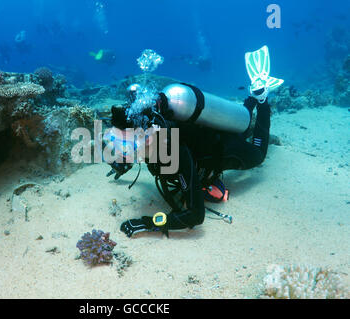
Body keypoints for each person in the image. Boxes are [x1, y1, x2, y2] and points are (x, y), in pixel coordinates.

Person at [104, 46, 284, 238]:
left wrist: (148, 223)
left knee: (257, 154)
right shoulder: (148, 134)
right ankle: (249, 102)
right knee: (244, 126)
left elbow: (195, 216)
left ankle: (261, 100)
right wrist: (123, 163)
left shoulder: (174, 151)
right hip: (200, 137)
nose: (126, 152)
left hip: (223, 148)